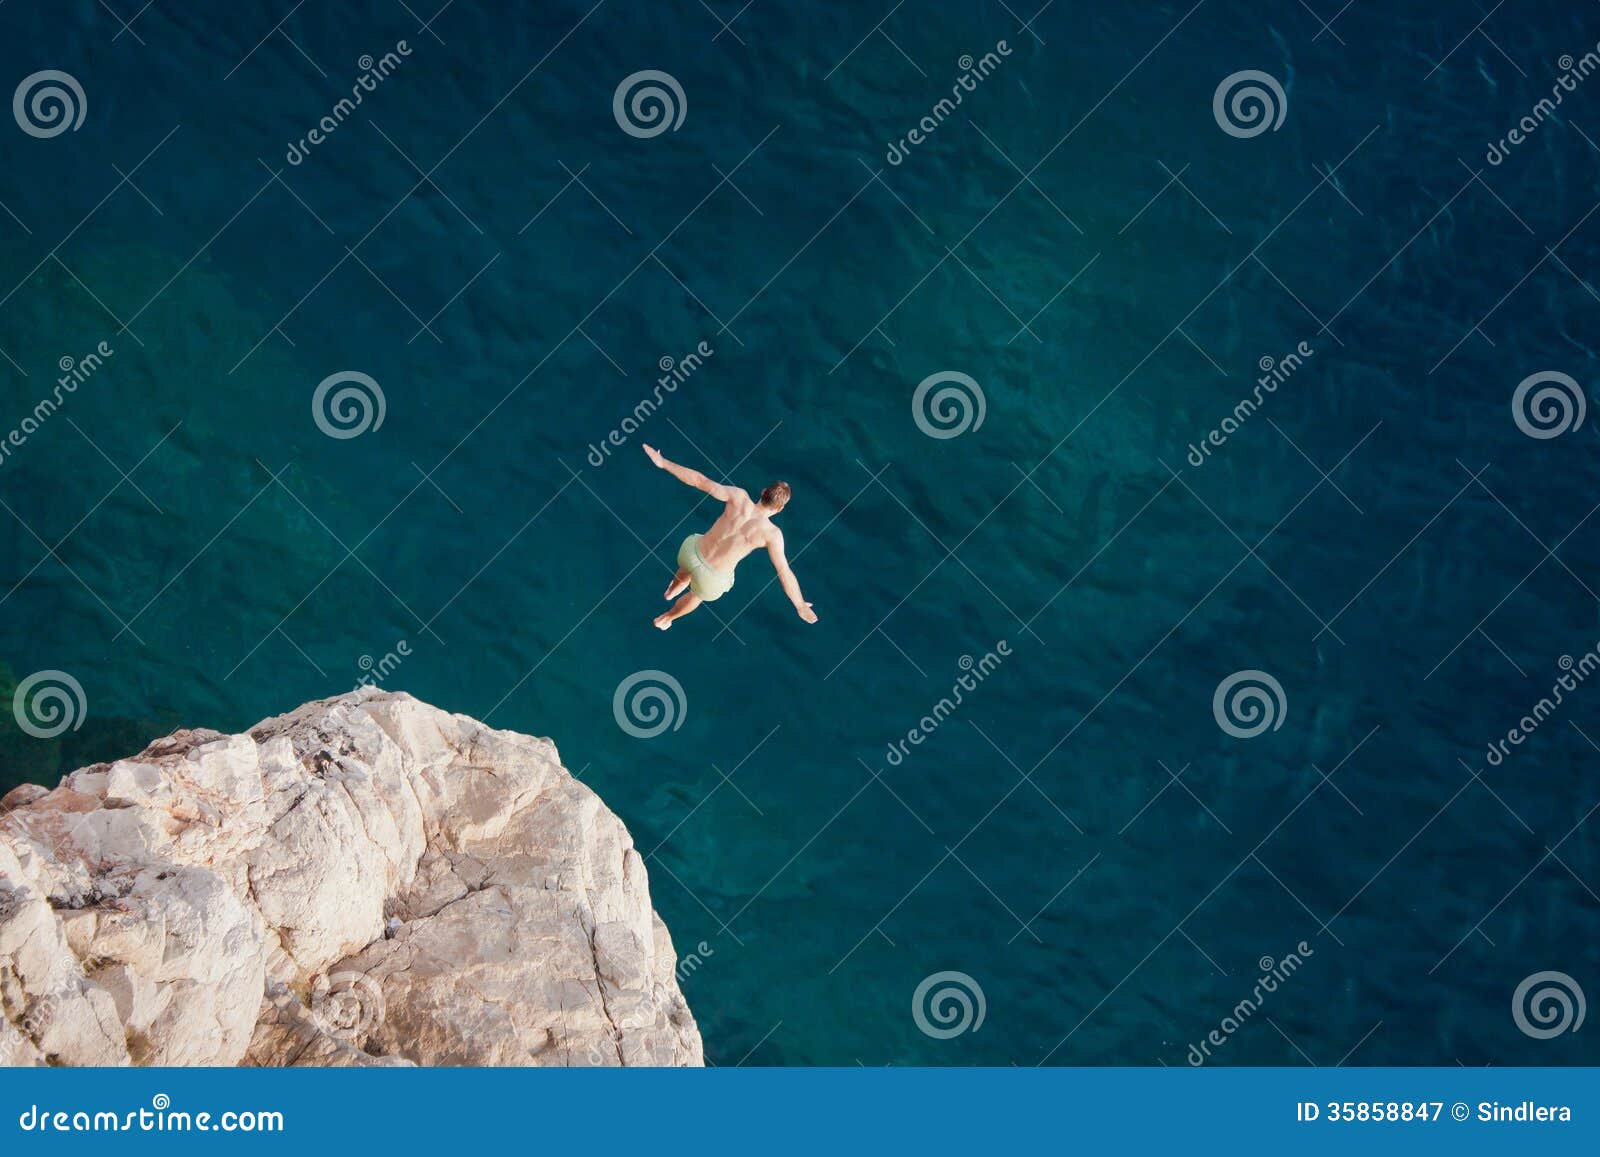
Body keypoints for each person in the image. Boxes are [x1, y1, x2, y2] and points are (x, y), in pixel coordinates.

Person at [643, 443, 818, 630]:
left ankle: (671, 590)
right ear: (780, 508)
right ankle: (668, 617)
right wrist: (799, 605)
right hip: (712, 578)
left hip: (691, 552)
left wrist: (663, 463)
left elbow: (699, 480)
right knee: (697, 595)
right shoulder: (772, 534)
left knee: (689, 565)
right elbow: (784, 572)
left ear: (763, 492)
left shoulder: (738, 496)